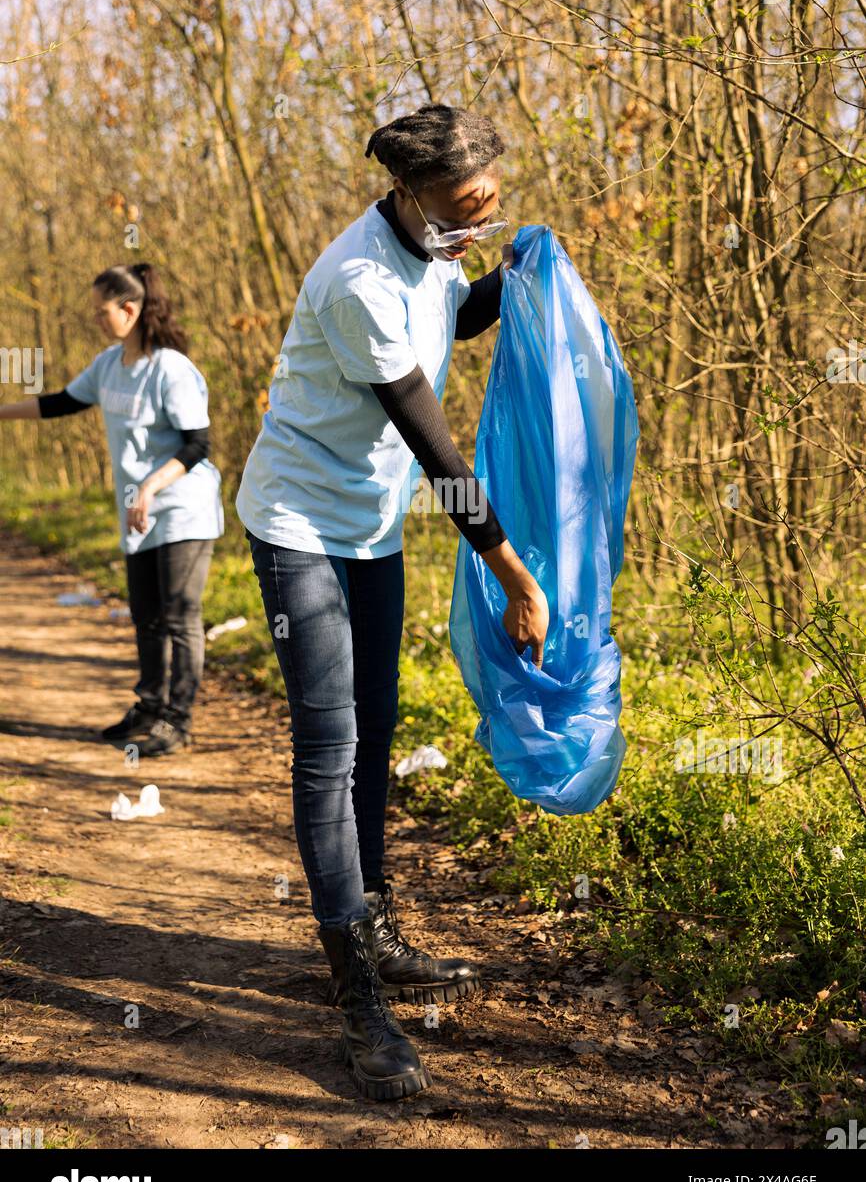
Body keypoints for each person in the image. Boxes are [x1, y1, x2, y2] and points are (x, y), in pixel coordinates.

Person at [237, 103, 549, 1101]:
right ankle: (357, 999)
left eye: (490, 203)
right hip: (298, 525)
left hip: (367, 527)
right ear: (407, 196)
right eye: (464, 208)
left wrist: (513, 279)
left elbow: (449, 316)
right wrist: (516, 578)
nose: (478, 219)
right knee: (328, 747)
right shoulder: (357, 280)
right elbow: (436, 450)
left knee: (378, 730)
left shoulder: (430, 247)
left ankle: (373, 920)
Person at [0, 263, 223, 757]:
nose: (97, 320)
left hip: (182, 506)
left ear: (130, 308)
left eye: (103, 311)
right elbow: (60, 403)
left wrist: (149, 487)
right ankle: (148, 705)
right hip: (138, 512)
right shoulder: (107, 365)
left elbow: (197, 445)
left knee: (180, 615)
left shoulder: (172, 369)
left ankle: (177, 720)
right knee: (145, 614)